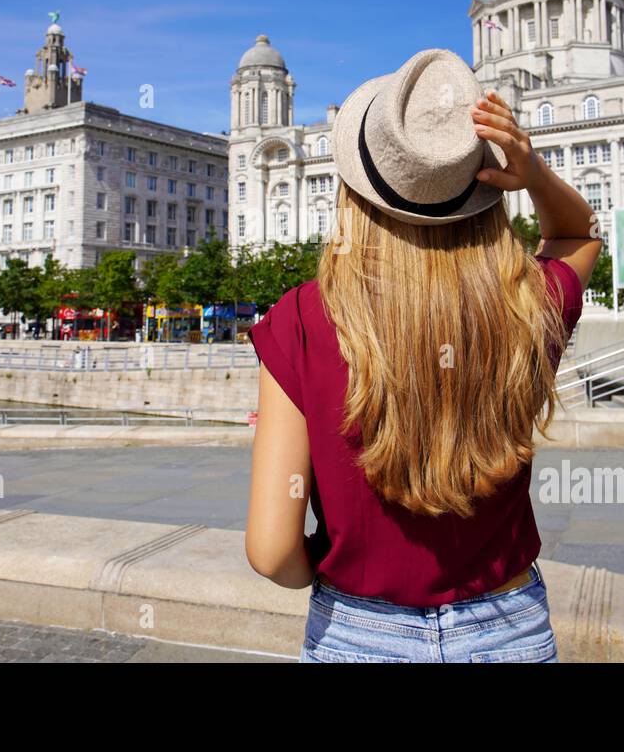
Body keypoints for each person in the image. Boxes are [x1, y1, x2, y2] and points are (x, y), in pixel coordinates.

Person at [245, 49, 600, 663]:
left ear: (355, 194)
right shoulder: (529, 303)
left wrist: (326, 576)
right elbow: (576, 234)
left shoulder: (305, 317)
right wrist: (535, 175)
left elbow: (273, 550)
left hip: (358, 631)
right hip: (509, 626)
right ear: (485, 189)